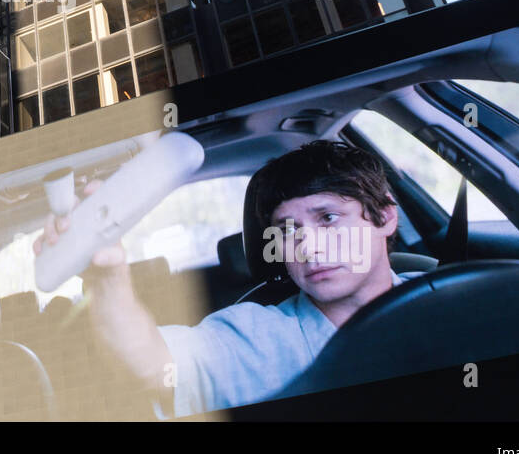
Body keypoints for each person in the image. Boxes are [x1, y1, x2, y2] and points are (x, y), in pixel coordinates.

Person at [33, 139, 424, 417]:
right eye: (287, 230)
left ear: (386, 217)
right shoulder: (251, 337)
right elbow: (152, 366)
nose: (308, 247)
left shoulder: (449, 302)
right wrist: (107, 278)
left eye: (328, 218)